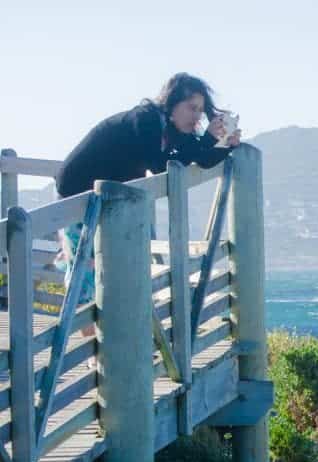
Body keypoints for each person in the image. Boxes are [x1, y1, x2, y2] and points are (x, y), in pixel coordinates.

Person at [54, 73, 241, 339]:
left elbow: (198, 158)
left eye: (201, 110)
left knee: (114, 266)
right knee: (85, 270)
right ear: (172, 103)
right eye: (192, 108)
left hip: (109, 198)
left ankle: (115, 341)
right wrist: (208, 139)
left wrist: (225, 145)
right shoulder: (147, 121)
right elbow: (162, 165)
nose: (197, 116)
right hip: (76, 193)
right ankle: (92, 347)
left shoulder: (170, 128)